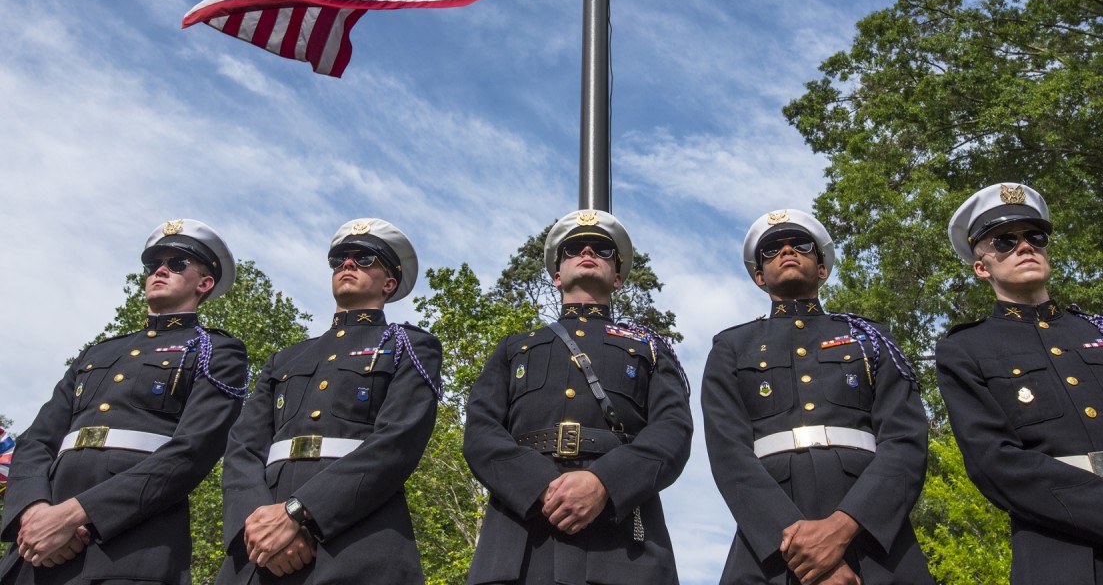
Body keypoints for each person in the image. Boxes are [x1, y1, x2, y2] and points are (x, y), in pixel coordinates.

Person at [938, 182, 1103, 584]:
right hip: (1066, 552)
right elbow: (994, 461)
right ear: (981, 267)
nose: (1025, 247)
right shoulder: (966, 349)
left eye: (1035, 237)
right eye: (1005, 241)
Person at [0, 219, 248, 585]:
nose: (160, 270)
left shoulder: (218, 351)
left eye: (177, 264)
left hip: (128, 550)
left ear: (204, 283)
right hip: (36, 549)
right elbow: (36, 441)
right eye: (153, 265)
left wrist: (74, 515)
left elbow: (190, 453)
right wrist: (34, 511)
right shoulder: (97, 352)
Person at [702, 209, 932, 585]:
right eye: (772, 249)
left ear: (822, 268)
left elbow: (906, 441)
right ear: (760, 276)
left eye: (801, 245)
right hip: (773, 542)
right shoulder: (731, 347)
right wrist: (806, 551)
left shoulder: (870, 338)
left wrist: (841, 529)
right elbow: (729, 455)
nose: (787, 250)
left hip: (871, 532)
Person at [463, 209, 692, 584]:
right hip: (521, 542)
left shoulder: (650, 350)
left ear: (617, 278)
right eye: (573, 249)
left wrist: (605, 482)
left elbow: (673, 431)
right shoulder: (514, 348)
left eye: (602, 249)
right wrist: (538, 485)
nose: (588, 251)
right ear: (556, 276)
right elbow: (480, 433)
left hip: (620, 546)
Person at [216, 218, 441, 584]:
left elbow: (397, 443)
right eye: (340, 259)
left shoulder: (410, 346)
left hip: (356, 541)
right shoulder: (286, 358)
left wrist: (298, 513)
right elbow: (242, 448)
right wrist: (257, 523)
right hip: (260, 548)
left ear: (389, 283)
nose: (347, 264)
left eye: (365, 258)